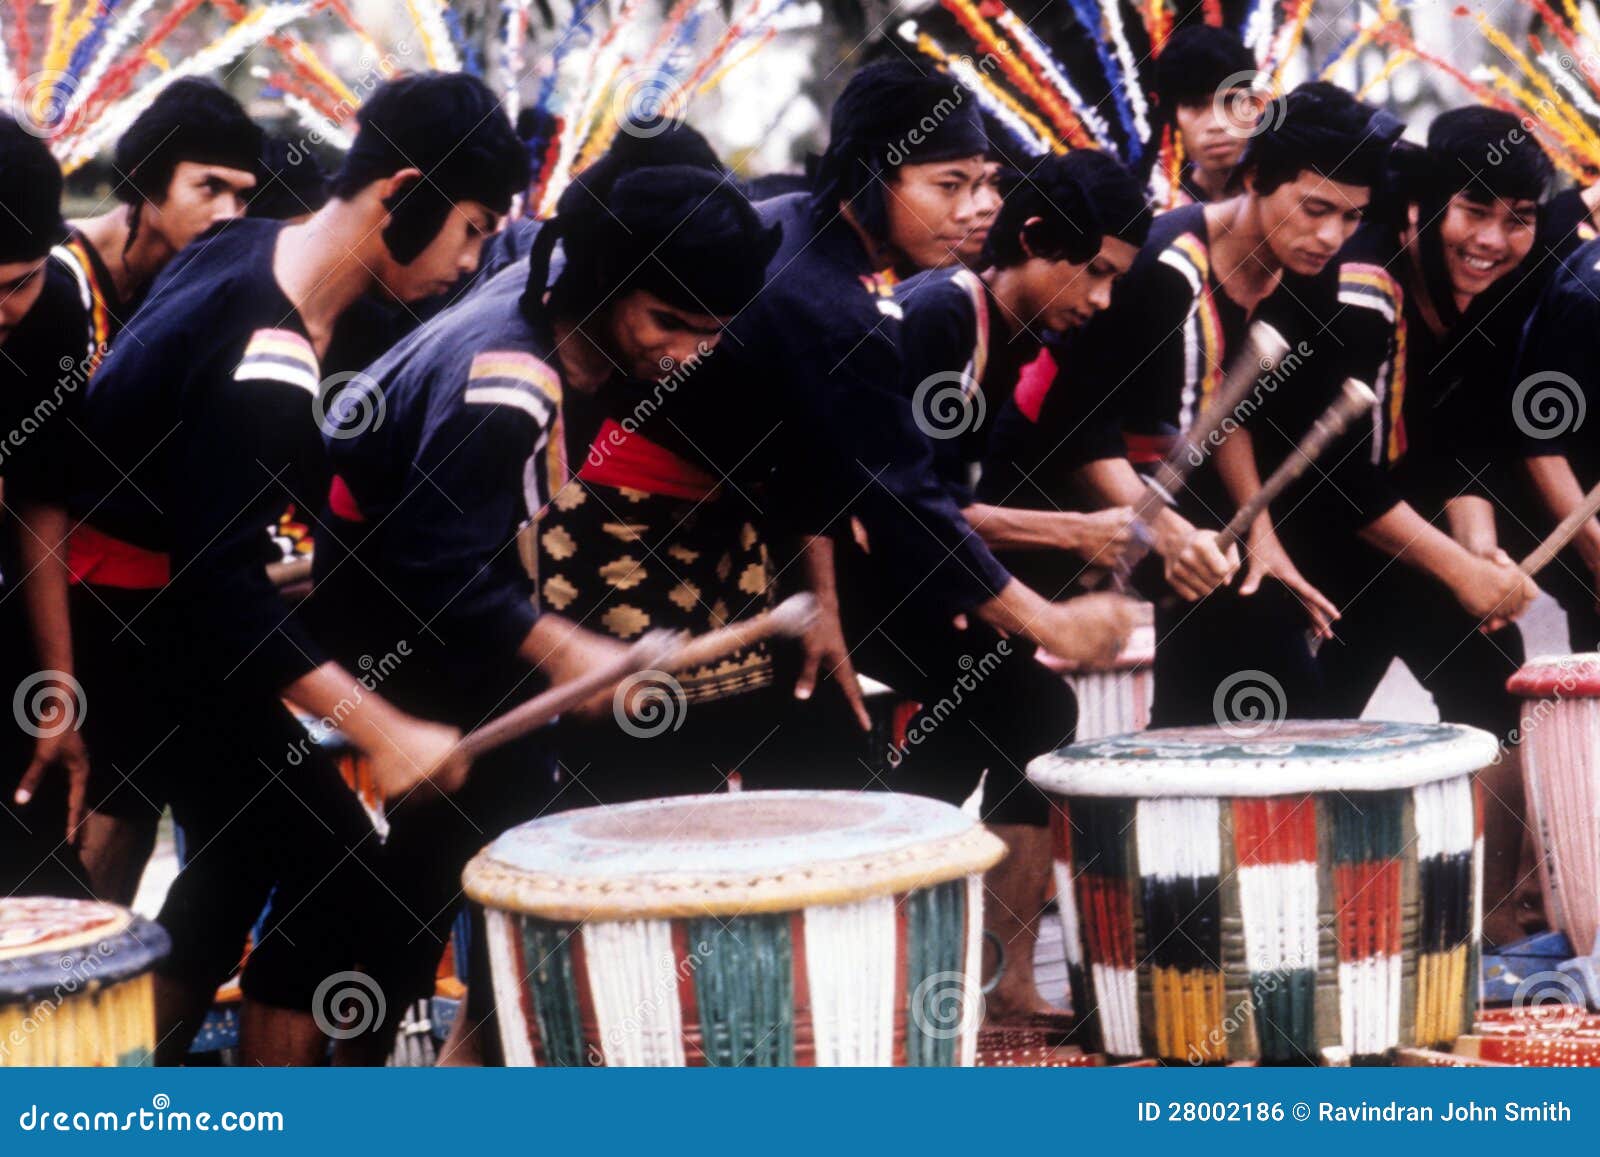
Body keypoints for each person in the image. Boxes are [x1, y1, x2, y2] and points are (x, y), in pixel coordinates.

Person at [65, 71, 528, 1064]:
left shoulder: (244, 249)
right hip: (143, 645)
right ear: (402, 195)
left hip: (140, 625)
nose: (470, 261)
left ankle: (128, 1091)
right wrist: (384, 724)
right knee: (339, 874)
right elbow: (226, 589)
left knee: (234, 862)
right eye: (472, 228)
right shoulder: (269, 350)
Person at [303, 141, 779, 1064]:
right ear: (605, 282)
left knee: (496, 856)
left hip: (442, 606)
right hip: (391, 622)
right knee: (436, 872)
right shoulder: (510, 384)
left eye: (712, 331)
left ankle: (464, 1066)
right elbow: (431, 559)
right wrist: (566, 652)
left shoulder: (557, 299)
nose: (687, 353)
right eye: (670, 321)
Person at [887, 149, 1159, 1023]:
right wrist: (1074, 532)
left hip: (913, 570)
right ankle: (934, 970)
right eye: (1097, 272)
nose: (1103, 298)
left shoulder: (1008, 333)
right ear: (1036, 238)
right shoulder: (941, 313)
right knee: (1013, 711)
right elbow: (913, 506)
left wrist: (1076, 547)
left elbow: (954, 504)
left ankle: (984, 975)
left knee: (1015, 715)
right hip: (856, 574)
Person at [1323, 108, 1594, 941]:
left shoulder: (1496, 280)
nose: (1493, 241)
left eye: (1517, 220)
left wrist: (1479, 551)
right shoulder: (1364, 289)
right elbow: (1338, 479)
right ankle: (1265, 935)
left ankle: (1491, 922)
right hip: (1310, 537)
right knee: (1292, 715)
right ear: (1426, 206)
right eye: (1474, 212)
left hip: (1408, 523)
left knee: (1488, 684)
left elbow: (1468, 433)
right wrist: (1458, 566)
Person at [9, 79, 263, 903]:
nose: (228, 211)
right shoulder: (65, 287)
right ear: (145, 187)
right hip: (79, 587)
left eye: (243, 194)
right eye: (208, 187)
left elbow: (47, 490)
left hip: (120, 595)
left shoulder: (192, 291)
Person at [0, 117, 93, 898]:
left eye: (15, 282)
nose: (0, 310)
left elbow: (40, 496)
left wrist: (56, 685)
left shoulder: (55, 312)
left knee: (44, 901)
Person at [1151, 25, 1261, 207]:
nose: (1217, 124)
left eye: (1229, 101)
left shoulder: (1293, 205)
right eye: (1195, 105)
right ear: (1174, 119)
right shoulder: (1168, 227)